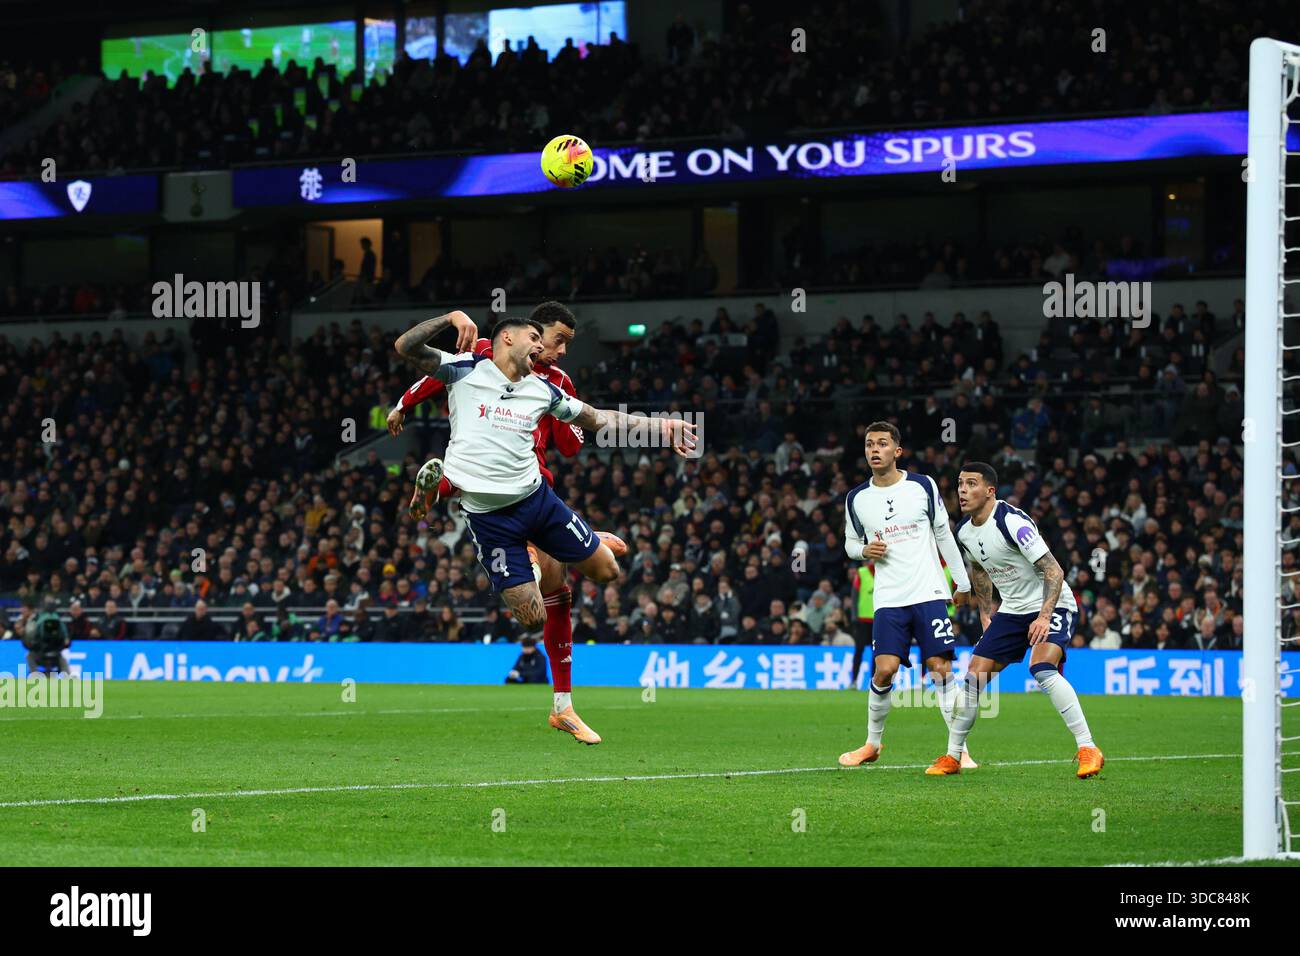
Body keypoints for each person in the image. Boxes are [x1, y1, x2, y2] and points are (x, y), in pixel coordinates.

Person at [394, 308, 695, 744]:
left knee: (609, 570)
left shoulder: (543, 389)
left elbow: (600, 419)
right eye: (535, 337)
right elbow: (406, 348)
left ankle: (577, 542)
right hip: (488, 519)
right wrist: (451, 318)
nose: (543, 345)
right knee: (532, 617)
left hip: (537, 503)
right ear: (508, 340)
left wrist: (660, 426)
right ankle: (440, 495)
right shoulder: (463, 369)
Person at [927, 462, 1103, 779]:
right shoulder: (964, 532)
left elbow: (1054, 570)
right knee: (974, 675)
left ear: (990, 491)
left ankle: (1088, 748)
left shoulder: (1011, 521)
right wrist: (985, 613)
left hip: (1053, 603)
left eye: (971, 484)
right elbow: (979, 570)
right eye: (960, 484)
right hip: (1012, 609)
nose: (963, 491)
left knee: (1041, 667)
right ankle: (953, 756)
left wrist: (1044, 617)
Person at [837, 421, 976, 769]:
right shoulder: (857, 498)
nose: (874, 450)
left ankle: (959, 750)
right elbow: (850, 543)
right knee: (884, 671)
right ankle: (871, 744)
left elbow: (944, 534)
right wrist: (864, 550)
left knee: (940, 668)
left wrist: (962, 583)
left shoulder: (922, 486)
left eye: (882, 444)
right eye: (869, 444)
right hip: (889, 598)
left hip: (928, 591)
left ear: (897, 451)